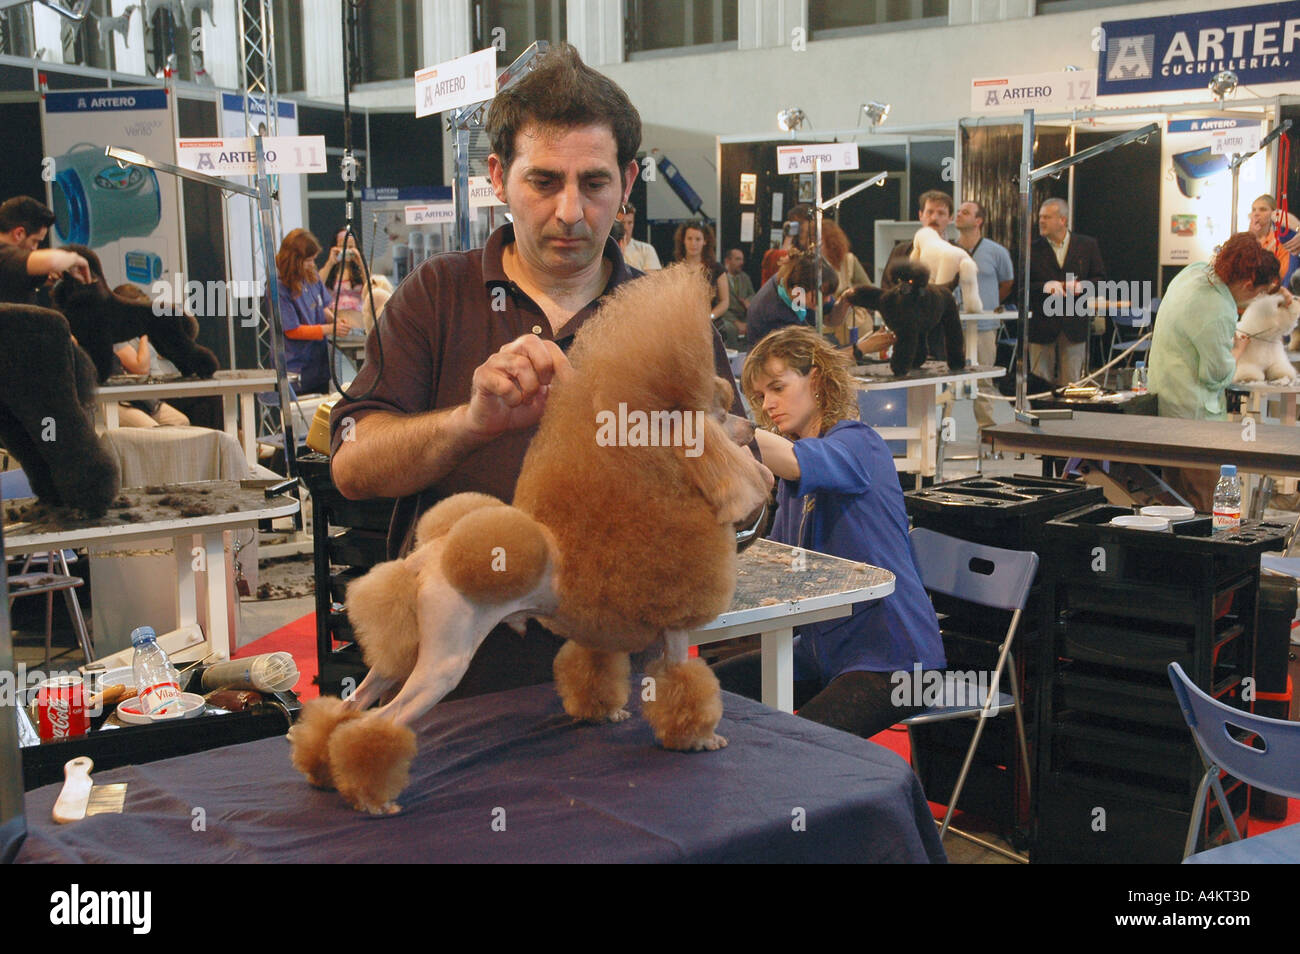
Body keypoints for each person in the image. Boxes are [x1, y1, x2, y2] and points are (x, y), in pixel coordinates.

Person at [328, 44, 745, 701]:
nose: (571, 211)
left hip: (618, 691)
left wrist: (612, 423)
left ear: (627, 182)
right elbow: (352, 466)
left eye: (595, 184)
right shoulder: (436, 296)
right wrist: (468, 425)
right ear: (499, 177)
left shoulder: (672, 320)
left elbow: (741, 494)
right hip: (455, 690)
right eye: (544, 182)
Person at [712, 325, 945, 739]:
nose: (769, 404)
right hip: (825, 655)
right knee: (704, 690)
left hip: (899, 664)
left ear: (817, 380)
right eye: (761, 396)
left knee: (798, 748)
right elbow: (776, 562)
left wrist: (715, 429)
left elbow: (794, 459)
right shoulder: (792, 477)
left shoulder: (859, 443)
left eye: (778, 388)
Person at [1148, 232, 1287, 511]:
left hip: (1167, 408)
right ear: (1248, 284)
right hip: (1195, 421)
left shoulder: (1194, 272)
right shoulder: (1219, 308)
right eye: (1259, 293)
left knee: (1176, 502)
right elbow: (1215, 374)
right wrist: (1237, 351)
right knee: (1205, 503)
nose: (1256, 299)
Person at [1027, 197, 1106, 389]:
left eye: (1046, 217)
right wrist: (1046, 287)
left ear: (1062, 220)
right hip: (1042, 326)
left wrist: (1081, 286)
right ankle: (1040, 409)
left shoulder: (1087, 245)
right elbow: (1022, 287)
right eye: (1040, 217)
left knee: (1072, 385)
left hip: (1074, 325)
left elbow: (1100, 280)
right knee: (1039, 383)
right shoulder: (1031, 249)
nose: (1041, 221)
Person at [954, 199, 1014, 436]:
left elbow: (1007, 283)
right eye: (958, 211)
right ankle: (941, 430)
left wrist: (988, 302)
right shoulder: (949, 250)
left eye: (965, 212)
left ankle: (986, 429)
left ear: (978, 220)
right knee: (947, 379)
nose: (959, 214)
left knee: (984, 380)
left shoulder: (997, 252)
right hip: (953, 324)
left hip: (985, 325)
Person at [276, 228, 353, 395]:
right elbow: (292, 330)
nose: (312, 264)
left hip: (318, 367)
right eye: (308, 260)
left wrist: (335, 322)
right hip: (296, 369)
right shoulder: (279, 288)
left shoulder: (312, 277)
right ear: (294, 260)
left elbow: (320, 306)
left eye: (313, 259)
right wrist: (330, 329)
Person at [0, 195, 90, 303]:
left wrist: (45, 276)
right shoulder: (4, 256)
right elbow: (52, 261)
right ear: (19, 233)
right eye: (35, 241)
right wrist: (75, 258)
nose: (35, 248)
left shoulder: (9, 266)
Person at [320, 227, 390, 334]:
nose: (346, 250)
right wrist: (330, 263)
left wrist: (360, 263)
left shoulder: (361, 271)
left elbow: (373, 290)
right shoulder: (328, 271)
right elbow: (316, 287)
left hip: (359, 326)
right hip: (336, 327)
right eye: (342, 246)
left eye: (350, 247)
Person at [819, 218, 873, 348]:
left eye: (820, 243)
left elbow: (868, 290)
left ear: (831, 243)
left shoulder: (849, 260)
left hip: (851, 327)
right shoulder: (811, 265)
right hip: (826, 329)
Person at [673, 221, 729, 333]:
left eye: (698, 239)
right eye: (689, 239)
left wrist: (710, 317)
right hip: (682, 325)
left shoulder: (717, 269)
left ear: (705, 241)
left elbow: (724, 301)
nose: (693, 243)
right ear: (683, 240)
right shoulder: (675, 269)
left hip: (711, 325)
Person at [1248, 194, 1297, 288]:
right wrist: (1251, 236)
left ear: (1274, 214)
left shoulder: (1281, 242)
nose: (1256, 213)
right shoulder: (1245, 240)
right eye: (1253, 210)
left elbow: (1282, 276)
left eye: (1263, 209)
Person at [760, 203, 812, 286]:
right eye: (794, 223)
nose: (798, 226)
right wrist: (789, 235)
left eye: (801, 222)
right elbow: (780, 263)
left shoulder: (815, 245)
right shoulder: (791, 246)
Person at [719, 247, 753, 349]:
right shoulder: (721, 279)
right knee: (730, 329)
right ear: (727, 261)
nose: (741, 262)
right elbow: (719, 304)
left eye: (742, 259)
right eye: (738, 259)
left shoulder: (745, 278)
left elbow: (752, 295)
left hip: (744, 315)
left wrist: (748, 301)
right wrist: (736, 323)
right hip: (727, 317)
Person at [616, 202, 661, 271]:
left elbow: (653, 277)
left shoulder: (646, 249)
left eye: (630, 223)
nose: (625, 227)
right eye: (622, 223)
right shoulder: (606, 251)